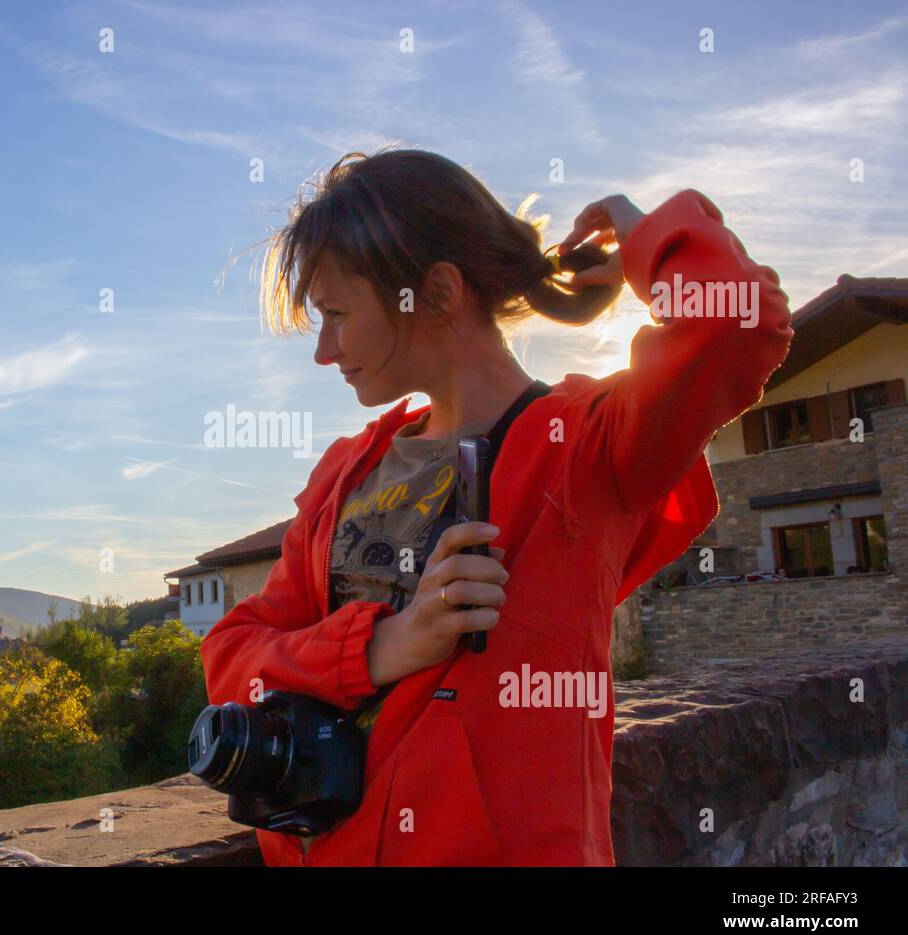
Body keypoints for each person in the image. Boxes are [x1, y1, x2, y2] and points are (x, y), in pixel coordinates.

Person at [199, 148, 794, 866]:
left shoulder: (583, 447)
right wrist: (378, 648)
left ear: (439, 294)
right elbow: (233, 656)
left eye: (334, 314)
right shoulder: (347, 469)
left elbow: (739, 325)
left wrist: (646, 239)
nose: (324, 351)